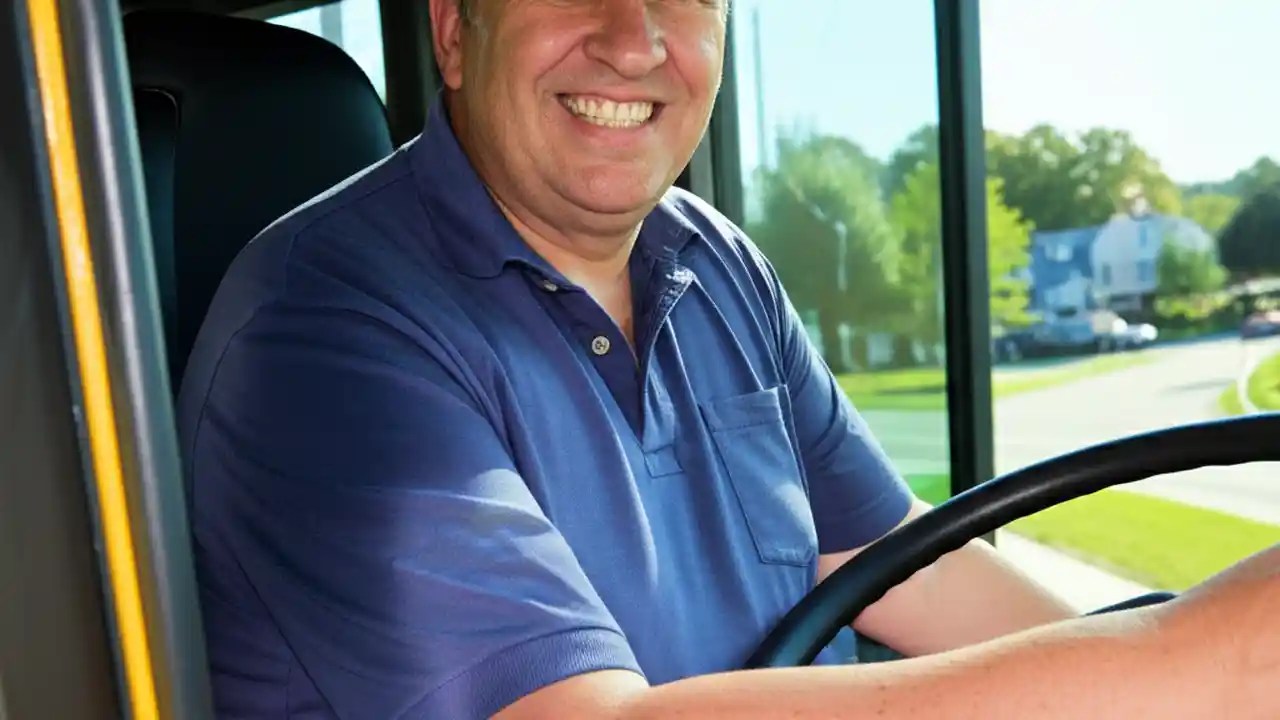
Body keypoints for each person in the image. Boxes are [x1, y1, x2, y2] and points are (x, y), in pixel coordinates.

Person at [177, 0, 1280, 717]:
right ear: (455, 30)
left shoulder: (710, 262)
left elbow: (887, 554)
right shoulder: (318, 332)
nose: (631, 38)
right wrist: (1199, 659)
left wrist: (1155, 642)